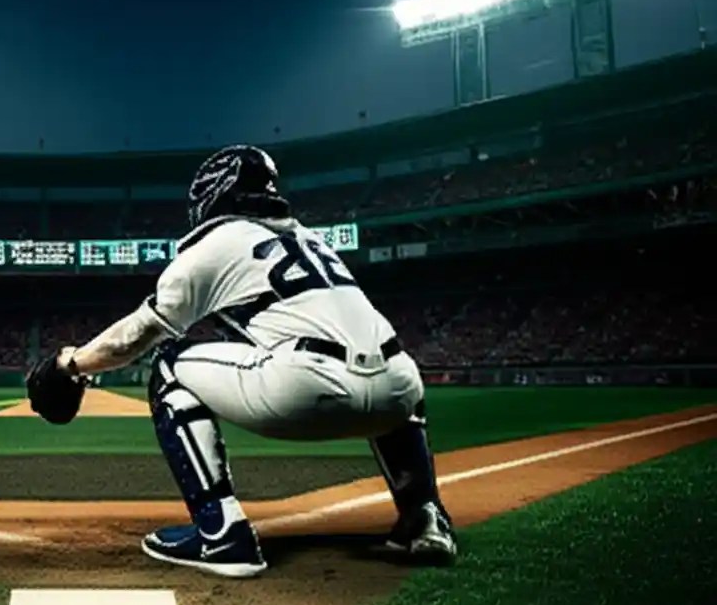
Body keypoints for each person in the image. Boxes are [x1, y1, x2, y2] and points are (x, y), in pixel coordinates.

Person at [50, 145, 457, 578]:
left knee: (169, 364)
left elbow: (135, 336)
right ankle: (424, 518)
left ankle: (221, 534)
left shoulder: (216, 244)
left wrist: (71, 366)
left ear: (213, 197)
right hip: (400, 392)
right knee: (393, 369)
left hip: (308, 388)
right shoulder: (310, 238)